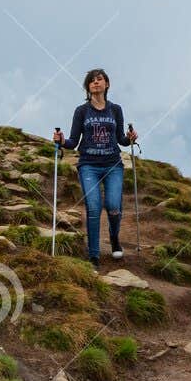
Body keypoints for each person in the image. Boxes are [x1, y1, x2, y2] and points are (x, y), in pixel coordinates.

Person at [53, 68, 137, 266]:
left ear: (107, 84)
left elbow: (121, 140)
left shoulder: (115, 109)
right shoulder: (82, 111)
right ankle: (94, 256)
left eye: (100, 79)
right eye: (92, 80)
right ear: (88, 87)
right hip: (89, 165)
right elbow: (73, 142)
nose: (96, 82)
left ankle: (114, 238)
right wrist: (62, 140)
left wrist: (130, 138)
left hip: (113, 164)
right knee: (93, 207)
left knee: (114, 206)